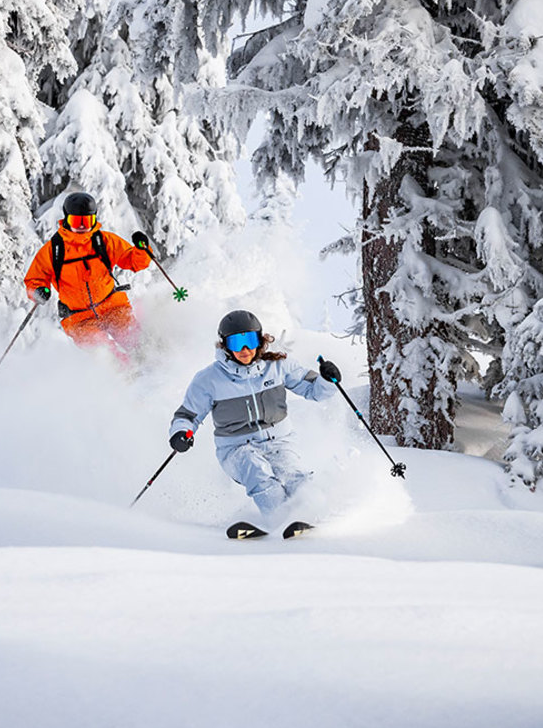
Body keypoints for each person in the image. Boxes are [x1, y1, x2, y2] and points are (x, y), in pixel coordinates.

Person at [168, 309, 341, 527]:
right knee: (257, 471)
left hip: (280, 441)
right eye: (235, 343)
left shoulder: (279, 366)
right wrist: (181, 432)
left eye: (249, 340)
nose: (244, 349)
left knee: (293, 476)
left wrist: (327, 380)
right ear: (225, 345)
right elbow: (187, 415)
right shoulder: (208, 379)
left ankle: (313, 516)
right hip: (235, 448)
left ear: (259, 340)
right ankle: (279, 522)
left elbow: (315, 391)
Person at [24, 192, 151, 357]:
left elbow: (134, 262)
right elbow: (34, 279)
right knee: (106, 353)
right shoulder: (54, 250)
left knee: (138, 342)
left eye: (87, 221)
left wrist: (141, 250)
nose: (83, 227)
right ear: (67, 220)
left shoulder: (104, 241)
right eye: (77, 221)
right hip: (79, 319)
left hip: (112, 307)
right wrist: (38, 291)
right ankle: (125, 379)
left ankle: (156, 369)